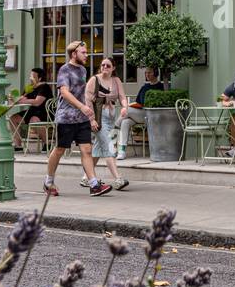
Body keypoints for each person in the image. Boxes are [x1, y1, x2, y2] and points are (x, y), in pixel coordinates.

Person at [44, 41, 111, 197]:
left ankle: (94, 185)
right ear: (74, 54)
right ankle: (48, 181)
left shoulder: (82, 70)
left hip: (81, 119)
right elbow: (65, 93)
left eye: (86, 52)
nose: (86, 55)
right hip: (66, 118)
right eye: (83, 52)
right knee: (60, 149)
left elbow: (84, 94)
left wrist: (91, 113)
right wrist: (82, 107)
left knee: (87, 150)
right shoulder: (64, 70)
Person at [82, 58, 129, 190]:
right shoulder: (94, 80)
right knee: (109, 146)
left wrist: (125, 106)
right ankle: (118, 179)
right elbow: (87, 101)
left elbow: (122, 96)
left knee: (98, 148)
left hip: (110, 118)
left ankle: (86, 177)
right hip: (98, 118)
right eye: (103, 65)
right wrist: (92, 120)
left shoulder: (116, 80)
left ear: (113, 68)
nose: (105, 67)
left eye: (108, 65)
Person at [117, 67, 163, 161]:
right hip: (139, 114)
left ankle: (114, 126)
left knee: (127, 110)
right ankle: (122, 151)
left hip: (150, 115)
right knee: (125, 122)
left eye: (149, 72)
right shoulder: (144, 87)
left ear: (156, 73)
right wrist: (133, 105)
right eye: (146, 73)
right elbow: (139, 102)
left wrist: (129, 107)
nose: (147, 75)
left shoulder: (160, 87)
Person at [10, 67, 54, 148]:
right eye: (30, 75)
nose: (30, 78)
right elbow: (22, 99)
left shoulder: (44, 87)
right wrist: (14, 99)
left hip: (45, 113)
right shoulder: (30, 87)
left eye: (33, 76)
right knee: (13, 118)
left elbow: (37, 102)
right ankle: (18, 145)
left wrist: (23, 101)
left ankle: (47, 143)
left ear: (40, 78)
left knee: (33, 120)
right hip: (32, 112)